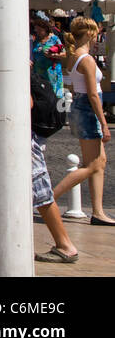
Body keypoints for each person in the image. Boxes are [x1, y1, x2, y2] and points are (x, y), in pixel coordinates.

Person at [0, 64, 79, 263]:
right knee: (4, 189)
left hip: (23, 138)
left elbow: (24, 105)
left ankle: (65, 245)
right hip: (23, 136)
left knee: (41, 193)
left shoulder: (17, 74)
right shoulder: (21, 71)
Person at [52, 17, 113, 224]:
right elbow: (93, 95)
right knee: (92, 166)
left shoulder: (74, 56)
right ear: (88, 34)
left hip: (80, 107)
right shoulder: (86, 59)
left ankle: (98, 211)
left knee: (99, 163)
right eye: (95, 34)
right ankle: (47, 199)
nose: (97, 38)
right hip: (87, 109)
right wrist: (104, 123)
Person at [30, 15, 64, 100]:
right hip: (39, 73)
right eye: (36, 29)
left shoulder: (54, 39)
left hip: (52, 73)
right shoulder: (36, 41)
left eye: (39, 30)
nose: (37, 31)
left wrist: (52, 55)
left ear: (45, 29)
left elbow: (64, 54)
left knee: (54, 97)